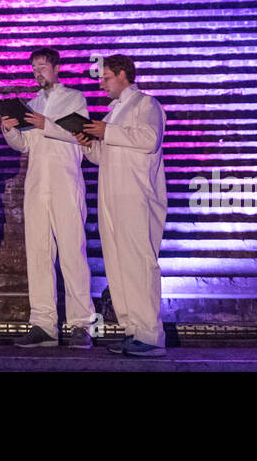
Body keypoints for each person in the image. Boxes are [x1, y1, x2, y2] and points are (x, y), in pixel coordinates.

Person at [0, 48, 95, 349]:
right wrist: (9, 130)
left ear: (56, 68)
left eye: (42, 67)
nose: (37, 72)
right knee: (38, 254)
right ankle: (43, 323)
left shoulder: (74, 98)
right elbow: (24, 145)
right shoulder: (31, 103)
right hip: (37, 185)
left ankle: (81, 324)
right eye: (33, 68)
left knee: (72, 253)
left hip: (66, 184)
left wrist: (46, 124)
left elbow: (79, 134)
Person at [75, 54, 168, 356]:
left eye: (105, 78)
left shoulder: (145, 104)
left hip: (136, 197)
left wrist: (105, 132)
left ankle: (151, 335)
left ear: (123, 74)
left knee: (139, 264)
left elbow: (149, 138)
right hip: (111, 196)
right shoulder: (112, 112)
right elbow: (104, 156)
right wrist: (90, 144)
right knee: (117, 265)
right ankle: (132, 330)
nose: (101, 84)